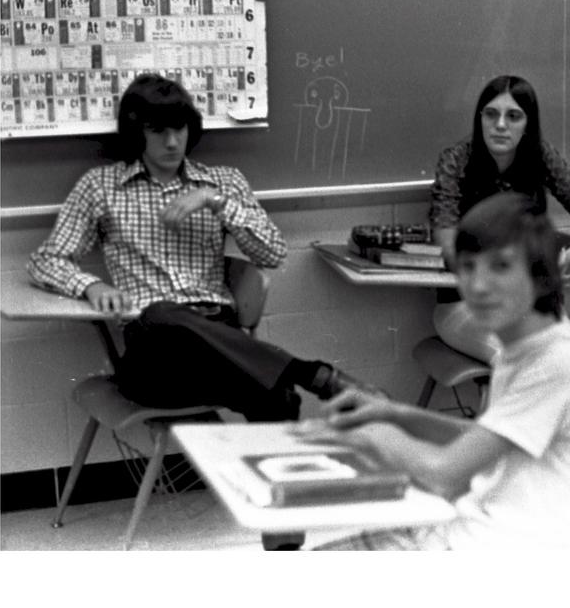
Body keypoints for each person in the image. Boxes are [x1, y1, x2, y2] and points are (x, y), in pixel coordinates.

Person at [27, 74, 363, 424]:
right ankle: (312, 374)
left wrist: (215, 202)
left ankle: (281, 474)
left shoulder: (224, 182)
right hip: (154, 355)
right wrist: (91, 285)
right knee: (161, 314)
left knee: (278, 396)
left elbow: (274, 253)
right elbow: (45, 261)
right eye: (158, 131)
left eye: (180, 128)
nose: (173, 142)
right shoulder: (101, 186)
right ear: (137, 132)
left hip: (219, 336)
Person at [313, 192, 570, 549]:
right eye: (468, 267)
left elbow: (443, 473)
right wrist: (394, 414)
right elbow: (483, 439)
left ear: (541, 276)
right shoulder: (521, 350)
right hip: (486, 536)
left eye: (500, 267)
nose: (477, 285)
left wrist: (373, 435)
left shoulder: (557, 364)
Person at [429, 74, 570, 362]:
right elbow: (448, 241)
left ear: (528, 124)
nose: (500, 125)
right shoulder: (456, 160)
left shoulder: (541, 156)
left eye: (513, 116)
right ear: (480, 119)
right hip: (465, 307)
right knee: (521, 356)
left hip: (530, 307)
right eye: (491, 114)